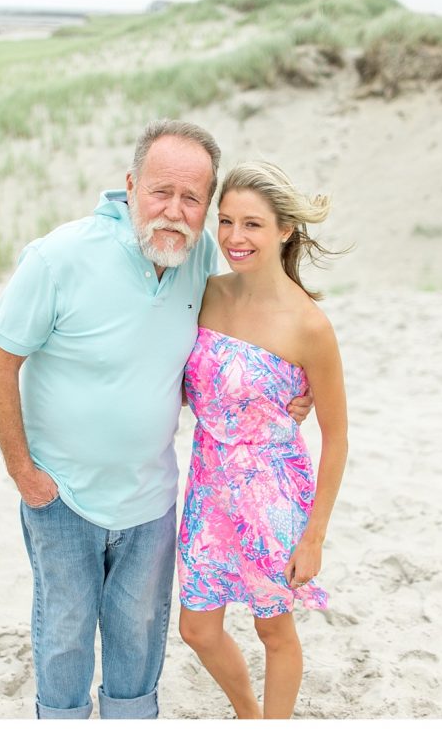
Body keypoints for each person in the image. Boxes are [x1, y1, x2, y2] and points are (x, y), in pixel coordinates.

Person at [0, 120, 308, 718]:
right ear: (130, 185)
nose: (174, 211)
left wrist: (288, 389)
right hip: (63, 498)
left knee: (139, 643)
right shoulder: (58, 258)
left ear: (206, 206)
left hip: (154, 500)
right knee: (66, 637)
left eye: (192, 199)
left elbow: (247, 326)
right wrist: (25, 474)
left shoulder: (200, 254)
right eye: (161, 191)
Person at [175, 161, 348, 719]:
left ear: (285, 230)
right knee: (197, 627)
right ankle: (249, 714)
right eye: (225, 222)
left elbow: (338, 434)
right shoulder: (206, 293)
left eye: (251, 224)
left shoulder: (309, 325)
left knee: (273, 628)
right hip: (207, 484)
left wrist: (315, 536)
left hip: (271, 491)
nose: (233, 238)